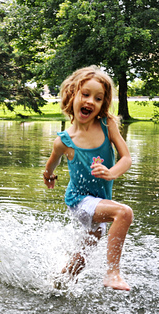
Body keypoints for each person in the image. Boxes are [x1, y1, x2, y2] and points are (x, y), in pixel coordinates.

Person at [43, 66, 133, 291]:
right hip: (79, 201)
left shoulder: (107, 125)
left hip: (100, 201)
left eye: (98, 98)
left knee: (82, 258)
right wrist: (49, 176)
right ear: (72, 94)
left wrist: (112, 173)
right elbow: (51, 164)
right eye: (85, 94)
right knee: (124, 213)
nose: (91, 101)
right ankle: (112, 274)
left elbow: (126, 158)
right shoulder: (65, 140)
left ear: (103, 104)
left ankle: (58, 284)